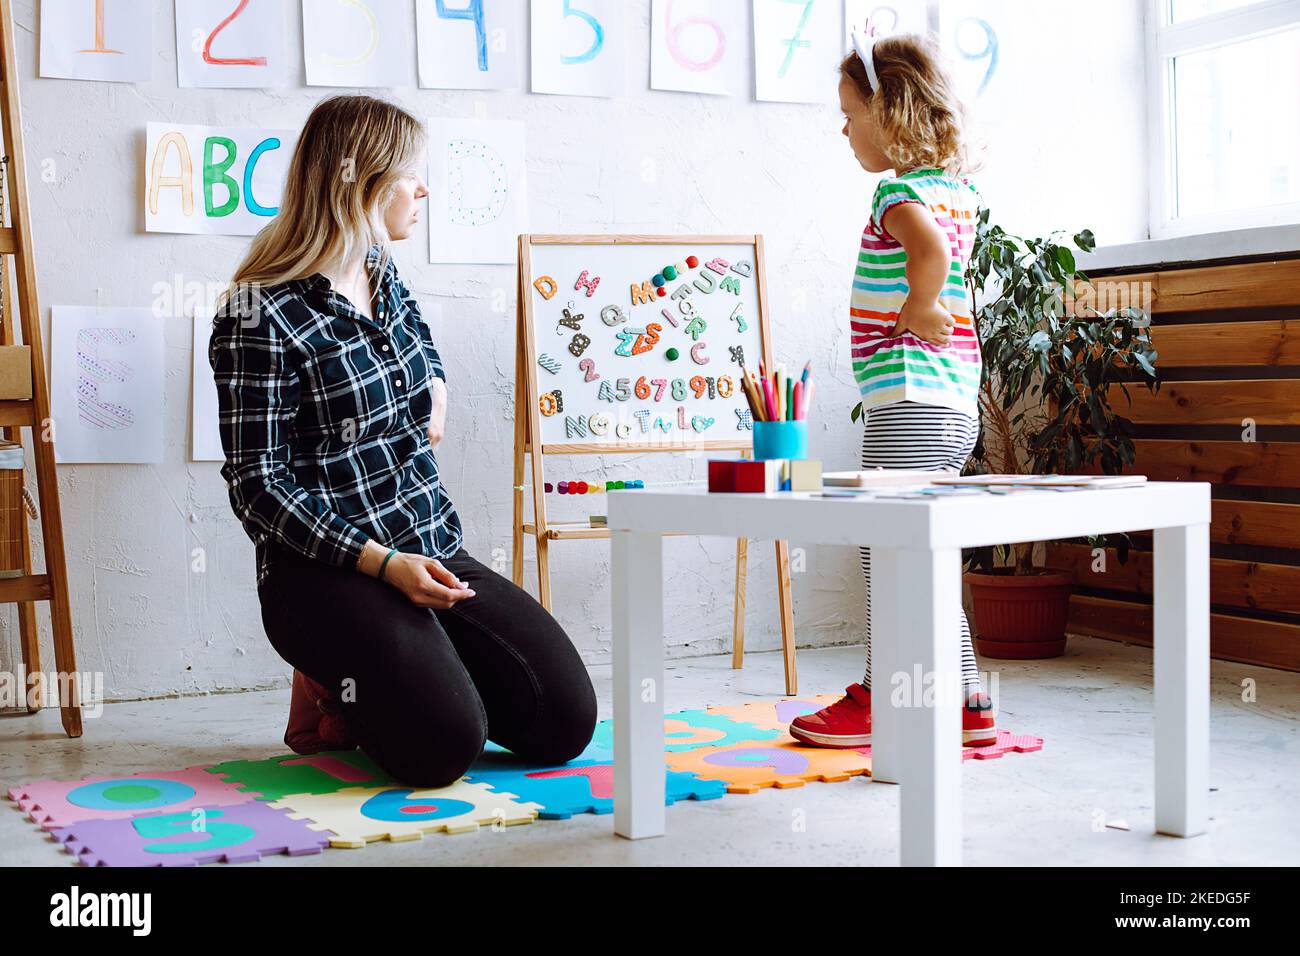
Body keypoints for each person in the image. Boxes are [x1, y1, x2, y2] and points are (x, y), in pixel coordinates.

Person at [209, 94, 597, 786]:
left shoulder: (383, 274)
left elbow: (422, 350)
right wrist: (384, 567)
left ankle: (415, 655)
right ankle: (331, 696)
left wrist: (437, 387)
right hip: (325, 572)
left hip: (430, 546)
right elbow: (257, 486)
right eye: (409, 174)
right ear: (360, 183)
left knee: (563, 720)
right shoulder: (257, 313)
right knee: (443, 748)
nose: (424, 189)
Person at [789, 30, 996, 749]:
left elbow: (928, 252)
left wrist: (921, 302)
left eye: (850, 113)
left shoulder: (898, 191)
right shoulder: (957, 191)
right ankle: (967, 699)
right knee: (926, 549)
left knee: (886, 549)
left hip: (909, 401)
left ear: (890, 111)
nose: (843, 129)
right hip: (950, 406)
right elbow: (940, 244)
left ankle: (881, 696)